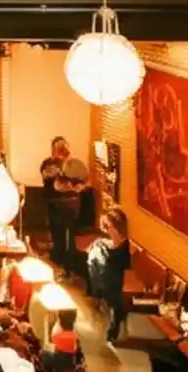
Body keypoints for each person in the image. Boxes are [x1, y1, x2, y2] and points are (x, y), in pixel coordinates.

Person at [40, 137, 85, 274]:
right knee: (56, 233)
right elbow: (47, 175)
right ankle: (58, 260)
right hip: (54, 204)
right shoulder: (48, 163)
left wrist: (73, 187)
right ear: (53, 149)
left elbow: (82, 183)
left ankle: (67, 267)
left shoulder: (73, 164)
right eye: (58, 147)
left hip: (70, 205)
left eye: (63, 147)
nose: (61, 150)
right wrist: (59, 170)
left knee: (68, 236)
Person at [87, 207, 132, 341]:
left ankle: (111, 329)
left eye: (107, 226)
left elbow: (122, 270)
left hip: (114, 291)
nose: (104, 229)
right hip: (101, 286)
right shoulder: (102, 245)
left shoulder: (126, 249)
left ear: (117, 227)